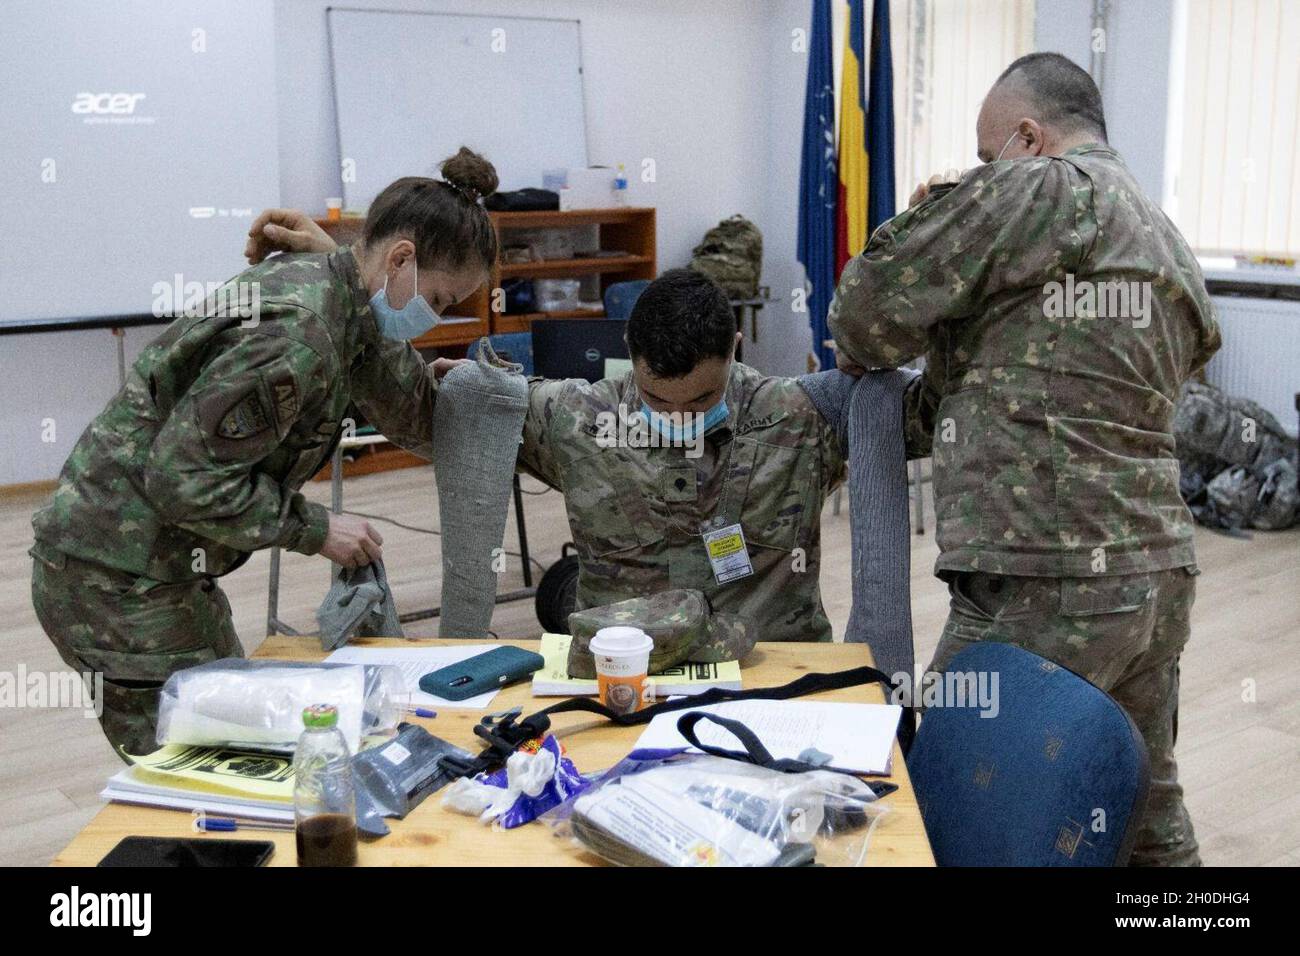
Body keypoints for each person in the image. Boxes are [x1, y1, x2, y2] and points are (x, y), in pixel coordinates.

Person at [828, 52, 1221, 866]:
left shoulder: (1032, 188)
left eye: (984, 157)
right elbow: (1017, 377)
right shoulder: (1169, 240)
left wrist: (926, 219)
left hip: (1044, 573)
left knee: (952, 803)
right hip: (1156, 575)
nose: (980, 176)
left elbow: (864, 316)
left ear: (1029, 137)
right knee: (1147, 813)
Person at [246, 200, 941, 647]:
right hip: (621, 683)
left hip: (771, 681)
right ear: (628, 361)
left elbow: (947, 410)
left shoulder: (801, 416)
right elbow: (427, 416)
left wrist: (935, 250)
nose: (677, 421)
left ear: (734, 354)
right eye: (655, 399)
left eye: (699, 402)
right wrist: (347, 274)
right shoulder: (579, 419)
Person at [31, 148, 501, 757]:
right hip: (115, 576)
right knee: (197, 767)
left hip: (158, 563)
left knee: (231, 742)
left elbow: (399, 393)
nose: (435, 317)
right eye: (438, 299)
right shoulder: (298, 335)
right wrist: (317, 527)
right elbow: (182, 478)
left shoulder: (336, 294)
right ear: (401, 258)